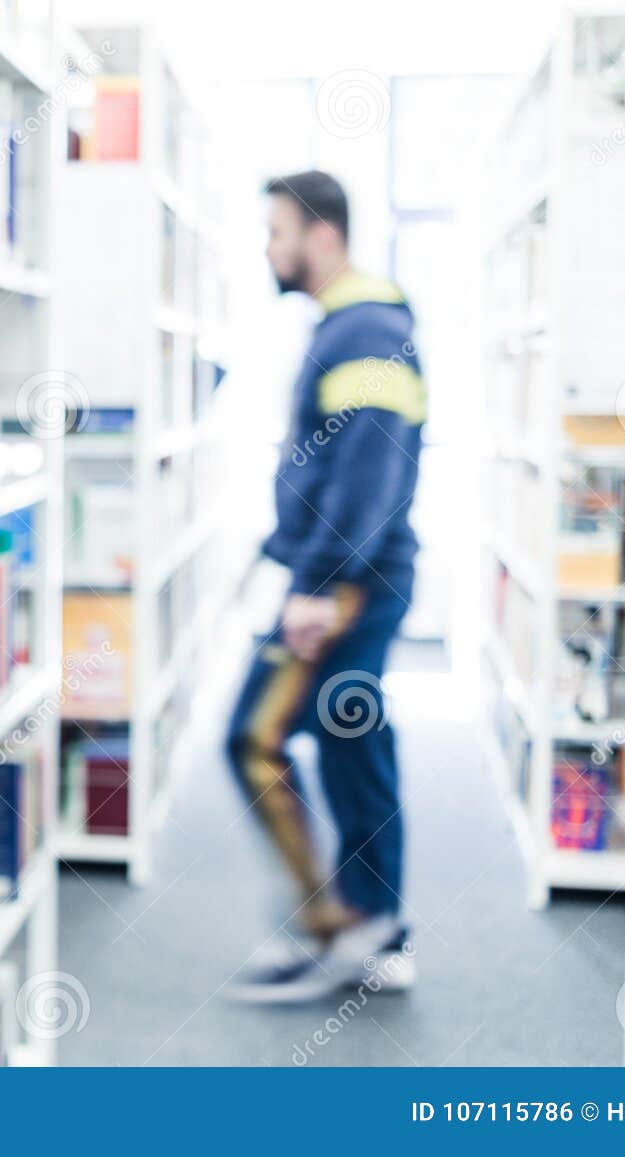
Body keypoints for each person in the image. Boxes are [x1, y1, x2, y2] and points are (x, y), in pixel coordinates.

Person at [224, 170, 424, 1003]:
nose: (268, 249)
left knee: (260, 735)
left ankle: (354, 925)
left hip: (349, 584)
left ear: (322, 235)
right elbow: (334, 467)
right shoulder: (349, 326)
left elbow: (370, 473)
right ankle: (354, 920)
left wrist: (316, 581)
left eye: (278, 231)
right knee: (348, 734)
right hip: (339, 576)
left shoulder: (369, 331)